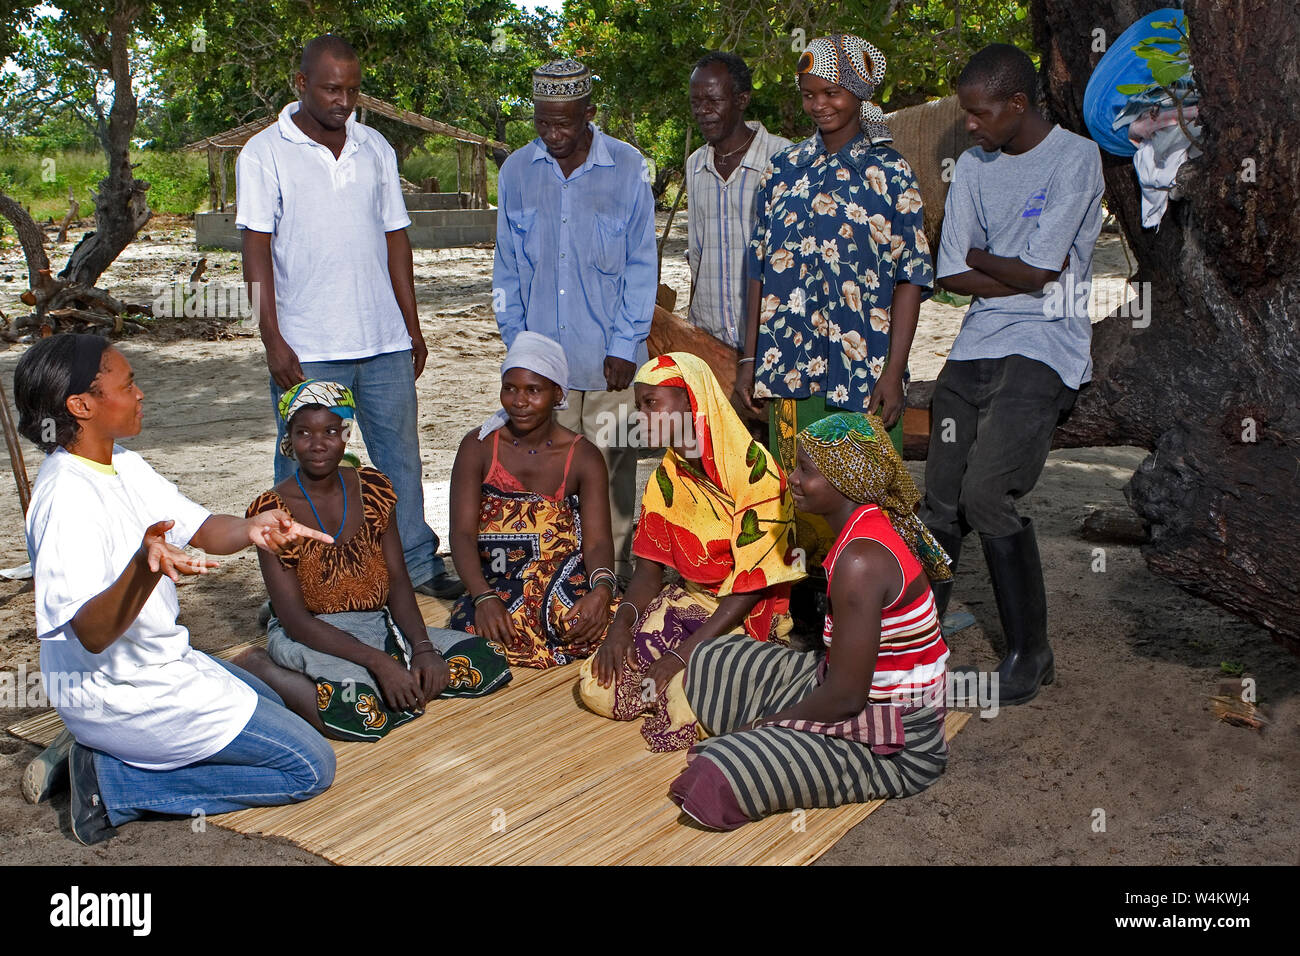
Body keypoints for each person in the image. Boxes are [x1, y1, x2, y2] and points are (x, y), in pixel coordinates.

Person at [14, 336, 336, 845]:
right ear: (81, 406)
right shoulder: (65, 499)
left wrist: (254, 527)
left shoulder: (122, 463)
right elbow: (92, 634)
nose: (141, 394)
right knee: (308, 766)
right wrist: (144, 569)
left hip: (161, 665)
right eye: (128, 384)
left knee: (277, 704)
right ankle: (115, 785)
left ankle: (95, 752)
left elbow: (203, 527)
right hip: (116, 692)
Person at [236, 34, 462, 600]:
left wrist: (412, 327)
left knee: (398, 458)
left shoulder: (374, 147)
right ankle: (299, 573)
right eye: (332, 88)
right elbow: (256, 253)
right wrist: (273, 340)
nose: (343, 100)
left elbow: (396, 241)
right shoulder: (264, 153)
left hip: (383, 338)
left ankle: (415, 561)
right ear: (301, 85)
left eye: (353, 90)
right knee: (301, 464)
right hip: (308, 346)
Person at [920, 43, 1104, 706]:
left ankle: (1032, 651)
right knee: (939, 496)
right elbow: (951, 273)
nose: (969, 124)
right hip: (974, 346)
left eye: (980, 112)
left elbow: (1044, 274)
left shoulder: (1076, 159)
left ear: (1018, 105)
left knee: (987, 494)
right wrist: (1007, 266)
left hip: (1045, 347)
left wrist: (986, 260)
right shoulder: (973, 165)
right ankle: (918, 638)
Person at [669, 412, 952, 830]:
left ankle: (765, 742)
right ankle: (775, 727)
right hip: (849, 688)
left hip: (898, 738)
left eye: (806, 470)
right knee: (712, 657)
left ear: (845, 481)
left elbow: (847, 699)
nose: (792, 478)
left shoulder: (860, 561)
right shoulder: (867, 526)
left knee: (718, 772)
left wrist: (761, 726)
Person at [733, 33, 933, 563]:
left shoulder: (892, 174)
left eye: (831, 93)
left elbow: (911, 275)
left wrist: (895, 371)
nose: (819, 105)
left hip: (861, 366)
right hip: (787, 365)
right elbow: (757, 268)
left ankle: (881, 606)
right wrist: (749, 358)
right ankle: (806, 613)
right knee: (797, 494)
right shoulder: (783, 170)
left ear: (859, 93)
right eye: (809, 94)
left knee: (866, 492)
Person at [236, 380, 510, 742]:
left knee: (486, 658)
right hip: (313, 634)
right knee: (357, 711)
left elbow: (396, 579)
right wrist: (381, 663)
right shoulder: (271, 512)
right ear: (289, 438)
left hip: (378, 624)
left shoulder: (373, 489)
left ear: (346, 433)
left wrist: (424, 649)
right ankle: (260, 666)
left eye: (330, 431)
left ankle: (392, 680)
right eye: (304, 432)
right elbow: (295, 620)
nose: (318, 444)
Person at [578, 353, 804, 751]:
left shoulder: (756, 473)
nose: (641, 416)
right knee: (598, 686)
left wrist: (681, 656)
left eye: (652, 404)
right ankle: (685, 692)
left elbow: (751, 586)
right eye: (639, 406)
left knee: (688, 702)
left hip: (741, 614)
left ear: (691, 401)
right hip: (687, 604)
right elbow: (648, 573)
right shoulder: (666, 477)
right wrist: (619, 629)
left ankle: (699, 689)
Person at [493, 58, 657, 579]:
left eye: (564, 122)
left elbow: (640, 264)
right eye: (543, 122)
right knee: (548, 473)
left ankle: (612, 575)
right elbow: (506, 268)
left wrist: (626, 344)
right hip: (544, 367)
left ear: (589, 112)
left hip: (610, 361)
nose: (553, 134)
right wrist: (520, 350)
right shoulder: (517, 172)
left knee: (611, 473)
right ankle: (557, 574)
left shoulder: (629, 168)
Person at [447, 332, 615, 668]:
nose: (518, 401)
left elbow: (596, 542)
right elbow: (462, 534)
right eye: (510, 388)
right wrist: (483, 597)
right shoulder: (478, 447)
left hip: (563, 580)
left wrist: (601, 592)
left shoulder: (583, 456)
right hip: (498, 581)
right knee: (470, 636)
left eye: (533, 390)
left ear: (557, 394)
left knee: (592, 623)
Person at [685, 51, 792, 350]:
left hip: (771, 339)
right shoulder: (695, 165)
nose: (702, 111)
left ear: (742, 100)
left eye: (713, 101)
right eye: (696, 103)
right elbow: (697, 253)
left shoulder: (784, 159)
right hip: (709, 337)